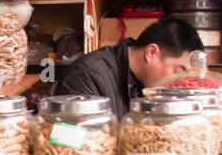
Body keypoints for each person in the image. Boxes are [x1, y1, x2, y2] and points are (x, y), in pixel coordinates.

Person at [55, 17, 203, 119]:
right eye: (177, 72)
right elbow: (74, 145)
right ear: (151, 53)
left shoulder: (146, 84)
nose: (177, 84)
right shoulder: (85, 76)